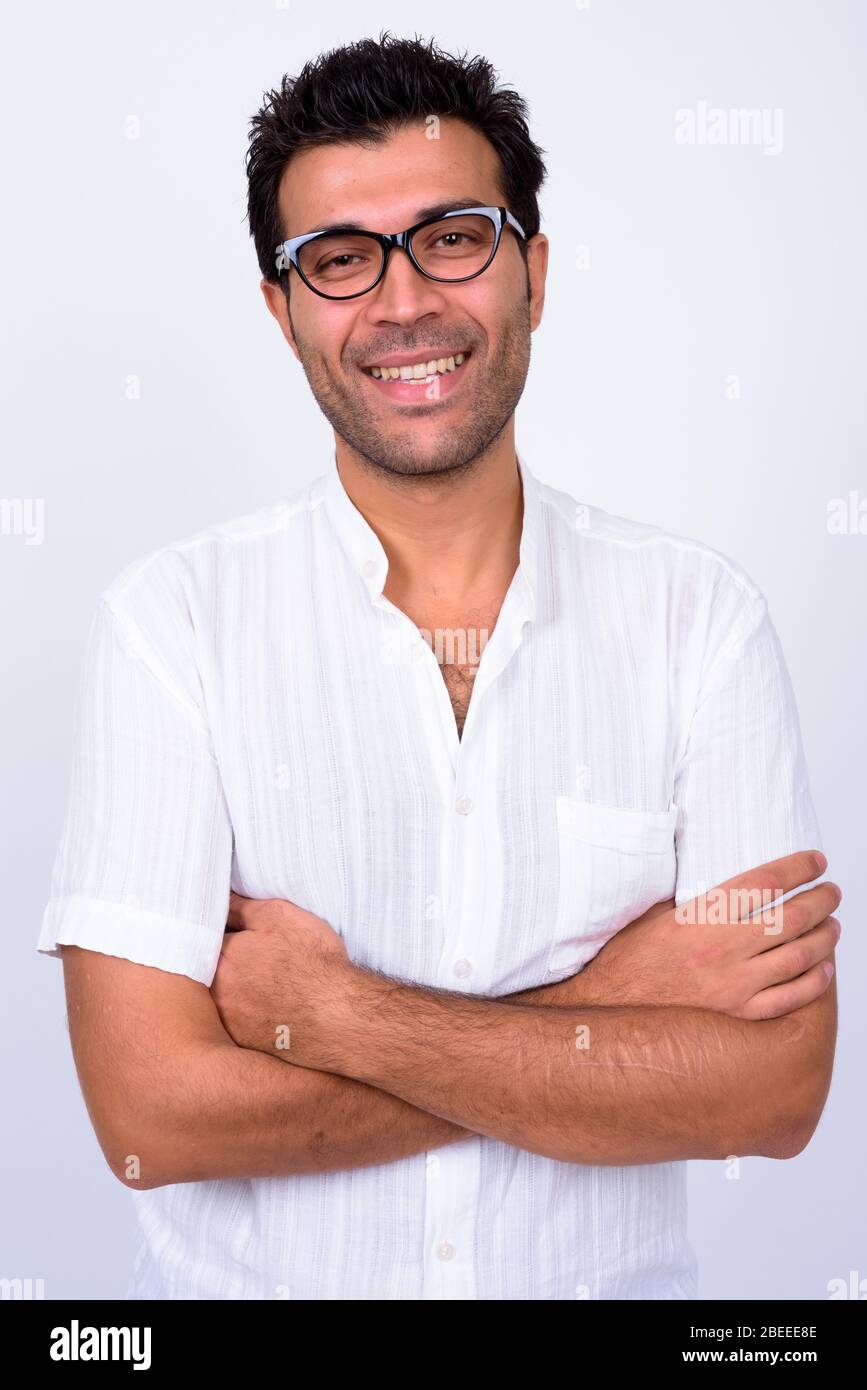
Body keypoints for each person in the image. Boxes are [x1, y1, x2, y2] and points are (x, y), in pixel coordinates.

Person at [38, 33, 839, 1300]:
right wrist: (605, 1005)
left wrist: (341, 1015)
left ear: (531, 268)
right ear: (283, 308)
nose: (404, 302)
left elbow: (771, 1094)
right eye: (341, 260)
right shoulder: (174, 624)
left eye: (454, 236)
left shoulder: (703, 623)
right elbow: (153, 1118)